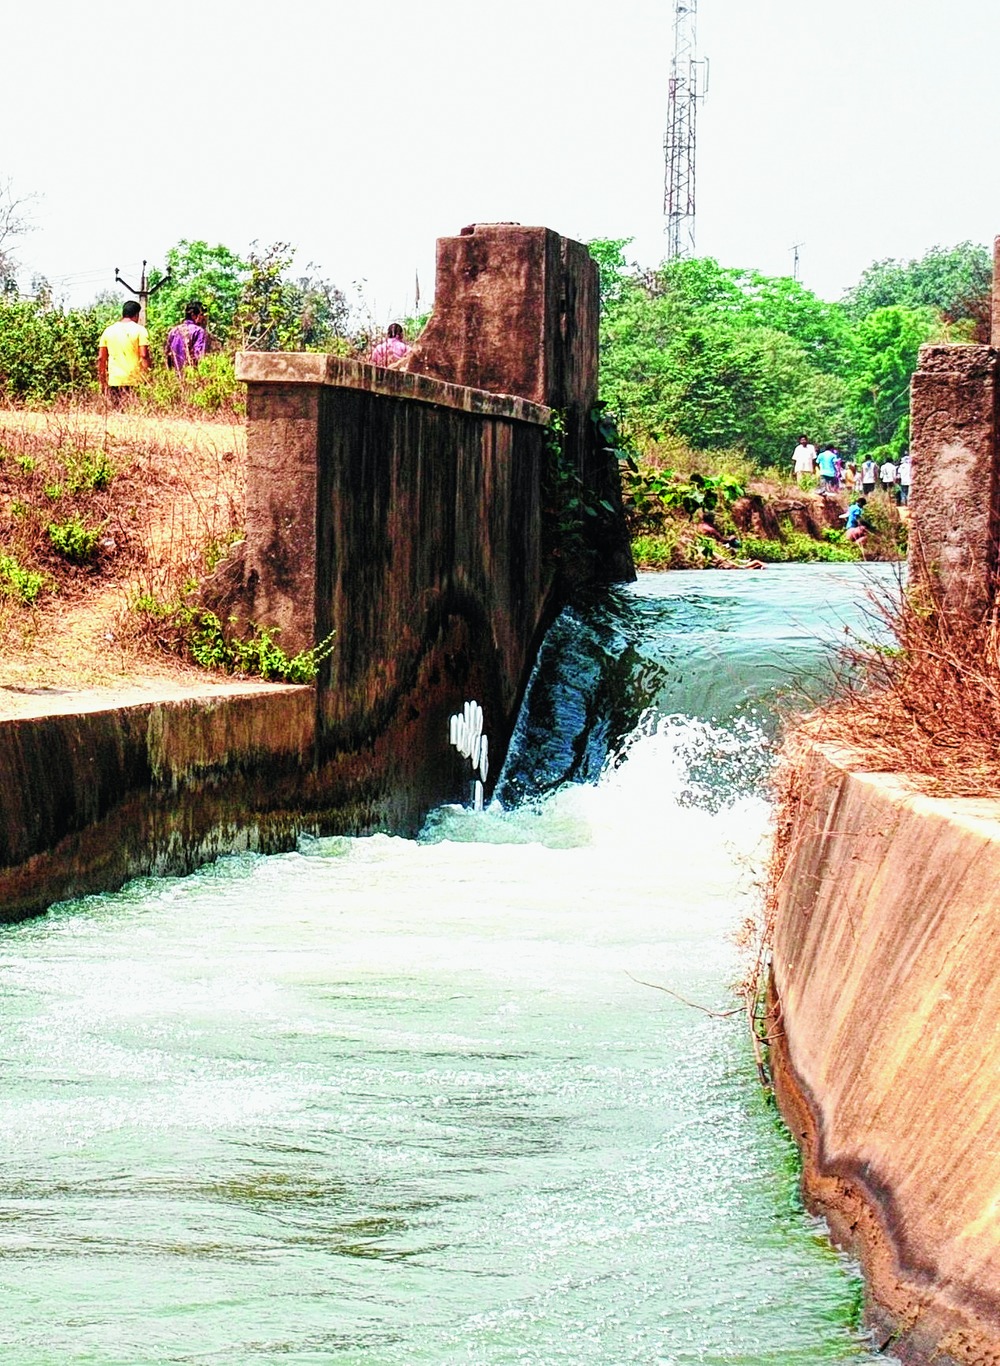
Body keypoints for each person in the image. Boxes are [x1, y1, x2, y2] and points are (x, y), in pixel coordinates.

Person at [97, 300, 149, 404]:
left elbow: (101, 358)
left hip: (114, 380)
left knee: (117, 415)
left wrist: (102, 381)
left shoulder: (108, 330)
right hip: (135, 380)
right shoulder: (140, 330)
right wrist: (147, 378)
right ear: (136, 314)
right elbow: (144, 355)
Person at [166, 300, 208, 373]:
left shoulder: (173, 331)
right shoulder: (198, 331)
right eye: (201, 315)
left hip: (174, 376)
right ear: (193, 315)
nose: (203, 318)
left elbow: (168, 355)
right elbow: (198, 355)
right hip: (190, 374)